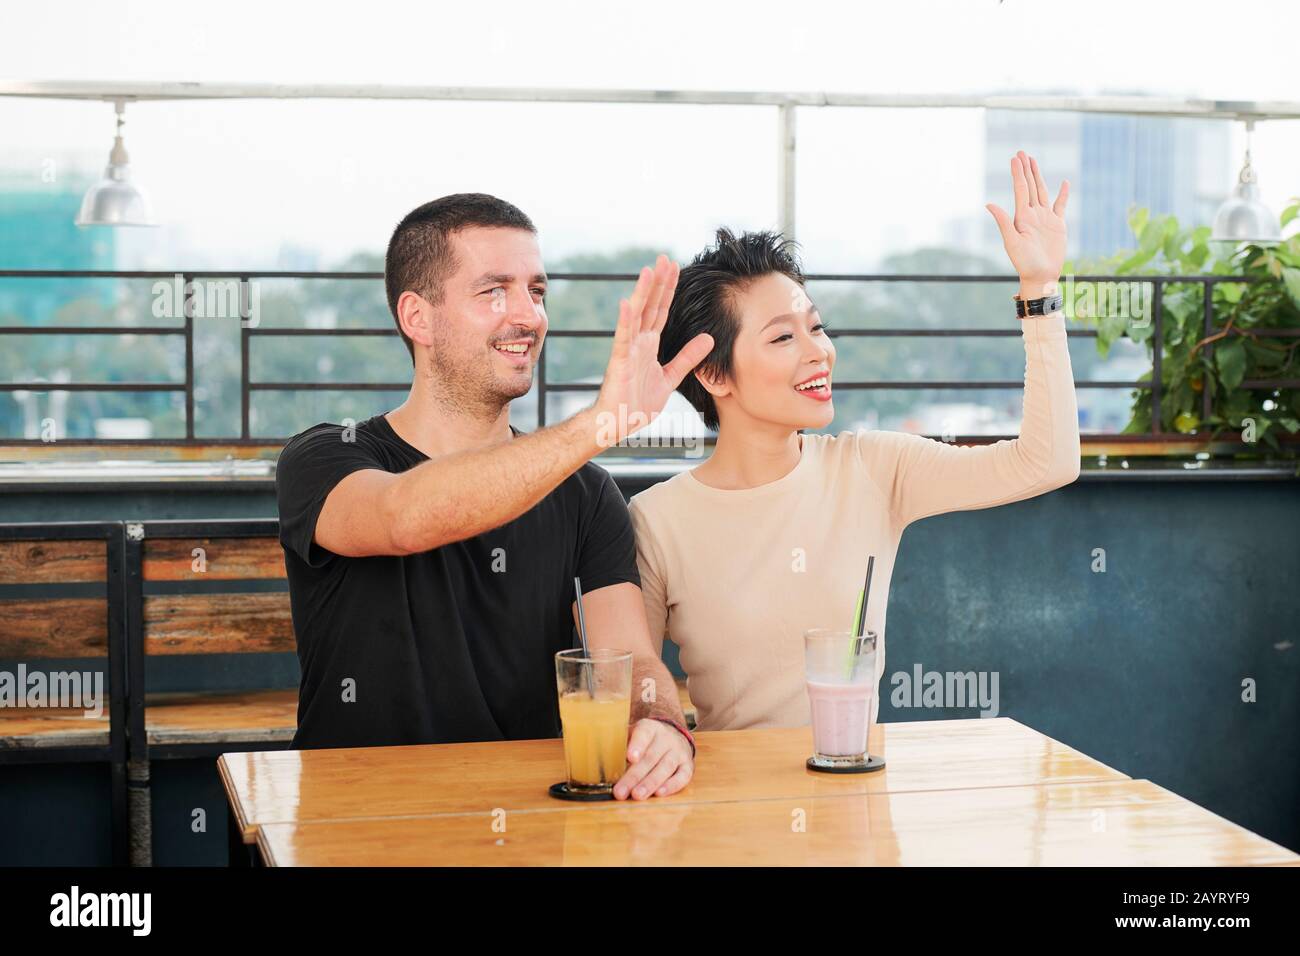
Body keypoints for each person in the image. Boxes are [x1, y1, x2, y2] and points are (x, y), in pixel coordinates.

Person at [275, 193, 712, 800]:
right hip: (356, 819)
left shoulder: (585, 492)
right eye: (494, 291)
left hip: (528, 821)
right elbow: (403, 518)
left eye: (536, 291)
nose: (528, 316)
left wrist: (661, 722)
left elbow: (632, 663)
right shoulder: (325, 458)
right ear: (417, 317)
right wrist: (598, 425)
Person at [628, 151, 1080, 731]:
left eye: (815, 327)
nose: (818, 351)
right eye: (783, 337)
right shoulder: (656, 520)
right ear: (713, 375)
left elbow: (1048, 462)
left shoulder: (872, 467)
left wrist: (1039, 289)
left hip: (856, 794)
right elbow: (629, 686)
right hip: (727, 805)